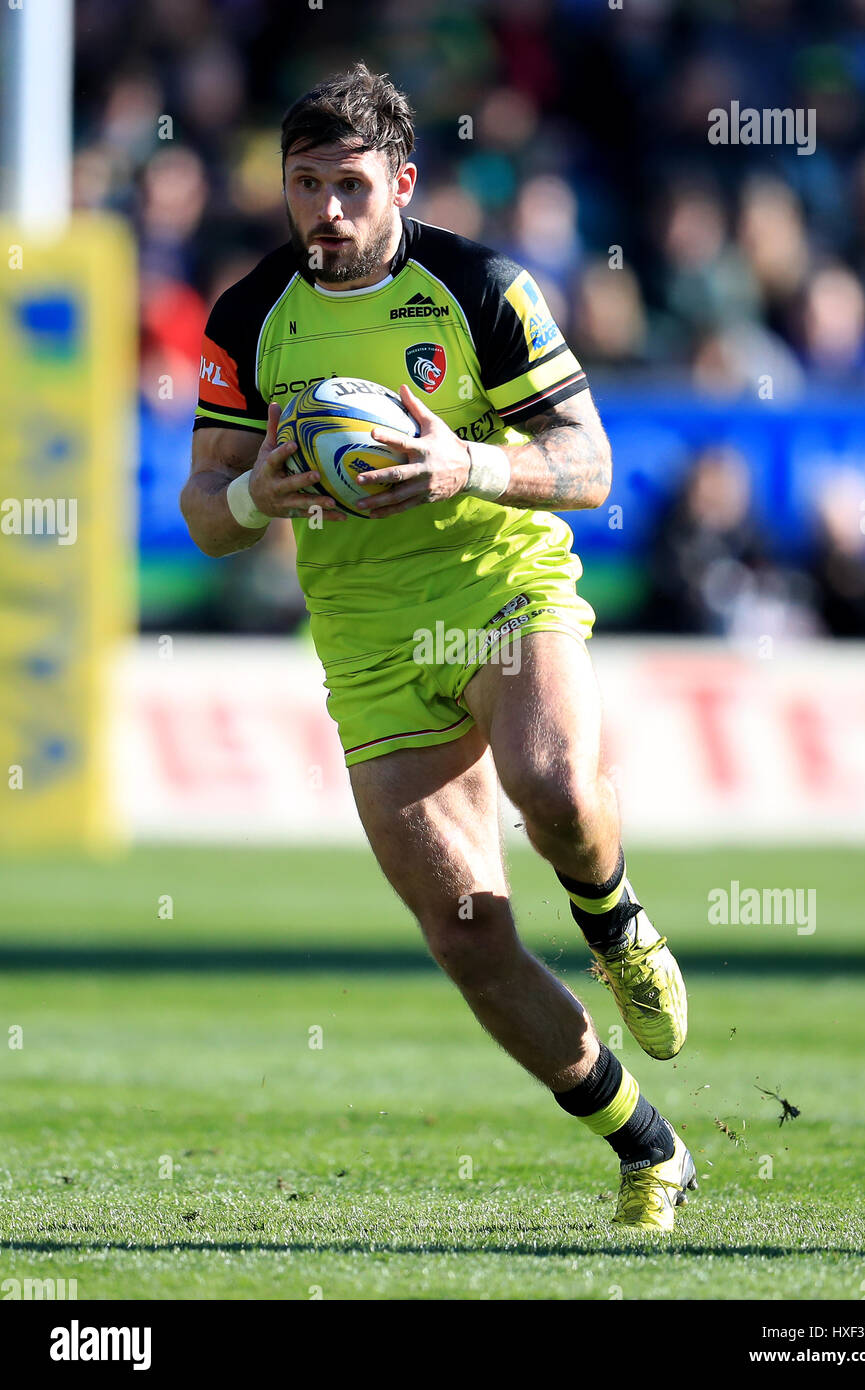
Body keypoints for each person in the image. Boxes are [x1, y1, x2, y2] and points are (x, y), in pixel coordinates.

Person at [180, 63, 693, 1231]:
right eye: (305, 185)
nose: (327, 212)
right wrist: (255, 496)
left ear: (401, 183)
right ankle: (645, 1145)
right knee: (469, 935)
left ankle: (613, 918)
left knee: (555, 784)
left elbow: (593, 466)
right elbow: (204, 515)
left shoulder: (481, 287)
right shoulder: (248, 316)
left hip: (497, 581)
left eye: (351, 187)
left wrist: (471, 464)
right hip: (365, 632)